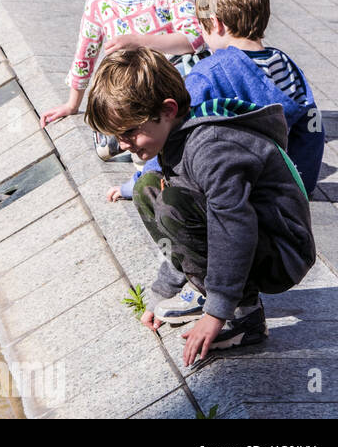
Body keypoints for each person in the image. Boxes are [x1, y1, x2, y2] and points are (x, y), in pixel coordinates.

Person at [85, 47, 315, 367]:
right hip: (252, 239)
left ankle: (244, 316)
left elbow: (232, 226)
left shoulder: (209, 148)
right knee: (147, 190)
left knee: (174, 201)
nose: (122, 145)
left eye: (128, 132)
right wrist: (163, 290)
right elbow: (184, 233)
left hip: (282, 251)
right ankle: (206, 290)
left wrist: (217, 312)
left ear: (167, 110)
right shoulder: (175, 141)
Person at [104, 0, 325, 201]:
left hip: (226, 183)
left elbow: (171, 128)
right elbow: (312, 127)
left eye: (203, 28)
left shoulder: (210, 72)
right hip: (275, 181)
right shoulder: (287, 66)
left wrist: (137, 183)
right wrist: (301, 185)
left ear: (215, 24)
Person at [39, 0, 206, 162]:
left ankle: (157, 141)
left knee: (192, 68)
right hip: (127, 89)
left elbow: (193, 40)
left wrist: (140, 42)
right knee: (109, 127)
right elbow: (86, 53)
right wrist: (72, 104)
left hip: (168, 83)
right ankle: (129, 138)